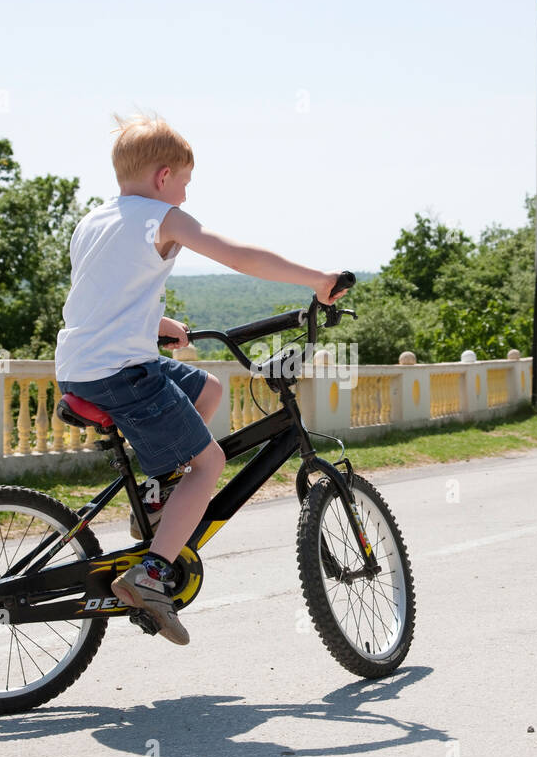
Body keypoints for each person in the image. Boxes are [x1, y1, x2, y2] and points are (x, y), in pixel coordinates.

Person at [55, 112, 348, 646]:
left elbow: (103, 293)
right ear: (164, 177)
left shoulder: (93, 221)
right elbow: (237, 254)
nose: (185, 198)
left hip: (83, 367)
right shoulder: (162, 216)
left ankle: (154, 497)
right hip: (122, 372)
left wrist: (160, 325)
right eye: (185, 184)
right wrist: (317, 279)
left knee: (209, 388)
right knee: (209, 462)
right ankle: (152, 574)